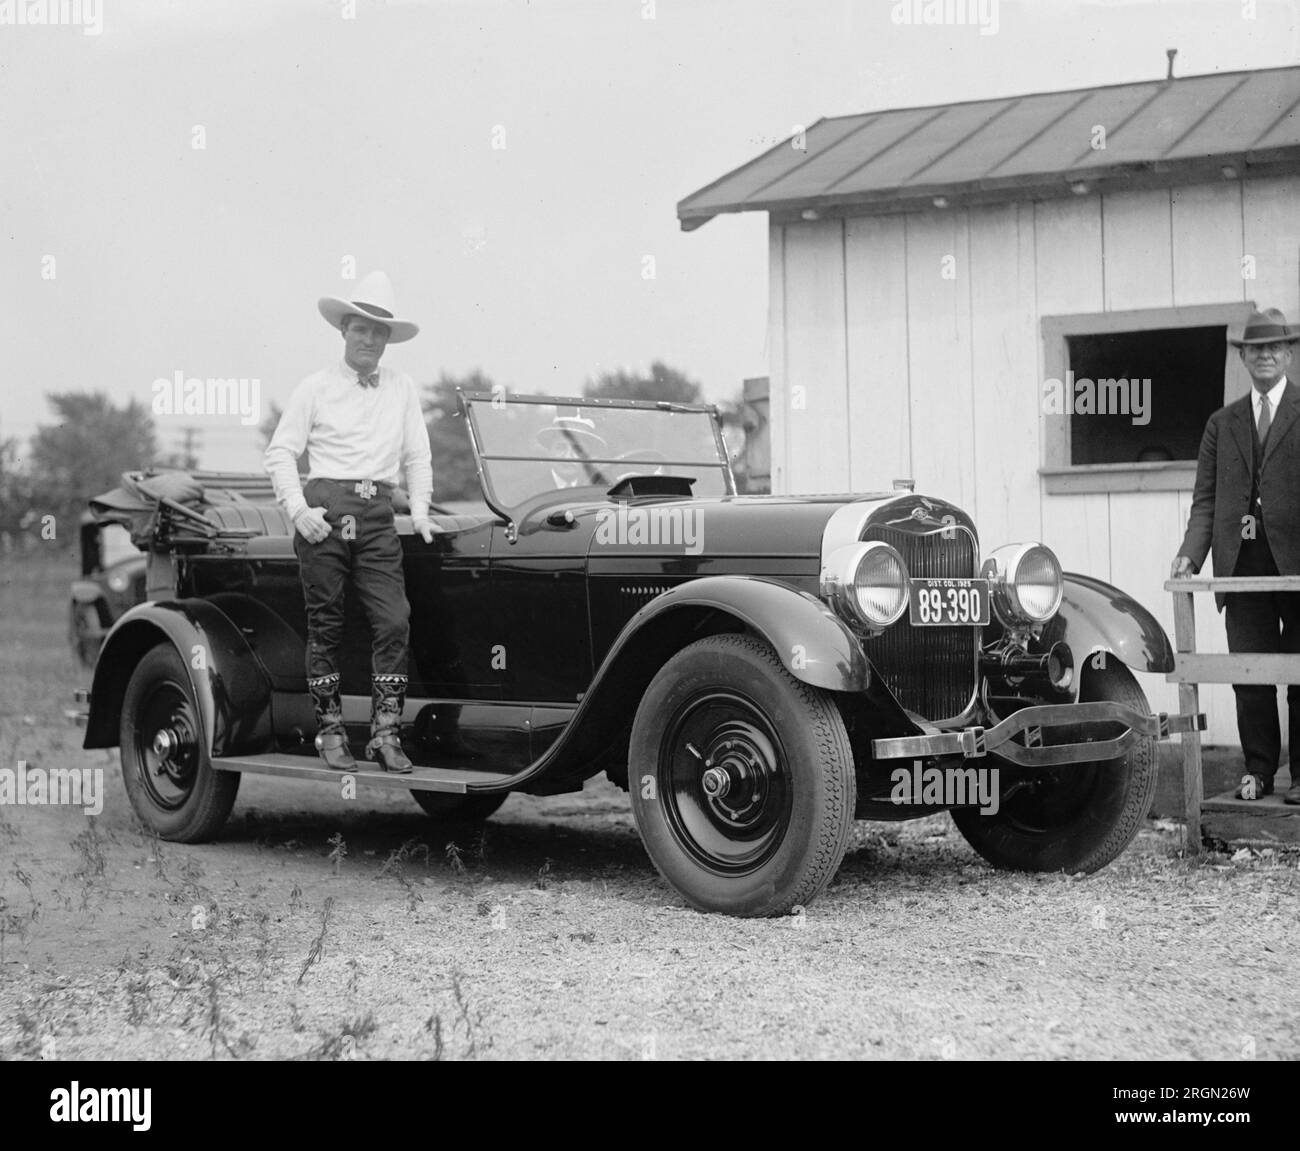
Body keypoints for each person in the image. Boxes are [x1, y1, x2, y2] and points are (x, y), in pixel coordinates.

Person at [264, 271, 438, 774]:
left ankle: (386, 735)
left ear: (388, 339)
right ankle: (330, 733)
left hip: (378, 513)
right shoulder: (314, 388)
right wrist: (300, 512)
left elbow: (418, 457)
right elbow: (281, 454)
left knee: (394, 620)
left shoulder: (402, 388)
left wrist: (421, 510)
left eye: (379, 332)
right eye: (361, 329)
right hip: (325, 510)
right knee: (327, 624)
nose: (369, 340)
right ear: (344, 331)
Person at [1172, 307, 1300, 805]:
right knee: (1251, 675)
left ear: (1288, 354)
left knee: (1299, 675)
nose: (1264, 354)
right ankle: (1260, 771)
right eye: (1255, 348)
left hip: (1297, 570)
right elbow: (1205, 499)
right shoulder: (1222, 424)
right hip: (1242, 568)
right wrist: (1190, 555)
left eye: (1274, 347)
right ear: (1244, 357)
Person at [535, 415, 607, 489]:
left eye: (577, 450)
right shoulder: (529, 490)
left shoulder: (596, 490)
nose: (567, 456)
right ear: (549, 452)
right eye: (561, 448)